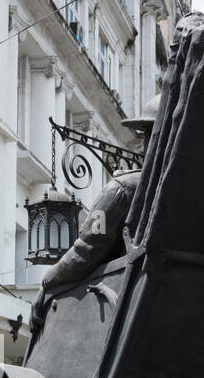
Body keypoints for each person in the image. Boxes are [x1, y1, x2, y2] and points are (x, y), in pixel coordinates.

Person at [29, 94, 158, 338]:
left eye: (144, 135)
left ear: (151, 138)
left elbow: (84, 252)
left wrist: (46, 283)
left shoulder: (121, 189)